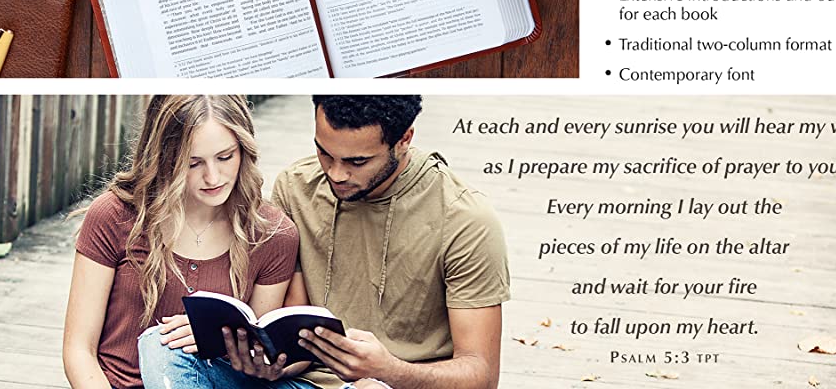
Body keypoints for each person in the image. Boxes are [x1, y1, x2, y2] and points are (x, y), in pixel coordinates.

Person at [233, 95, 509, 389]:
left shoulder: (464, 219)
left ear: (404, 139)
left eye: (358, 161)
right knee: (181, 360)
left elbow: (482, 375)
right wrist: (270, 363)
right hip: (302, 383)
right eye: (324, 152)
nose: (336, 174)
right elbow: (297, 332)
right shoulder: (295, 187)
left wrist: (390, 371)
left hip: (400, 385)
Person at [62, 95, 311, 389]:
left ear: (244, 150)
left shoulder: (272, 233)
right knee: (161, 344)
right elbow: (79, 350)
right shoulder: (114, 216)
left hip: (209, 382)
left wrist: (232, 345)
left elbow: (259, 354)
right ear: (163, 158)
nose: (213, 177)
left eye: (225, 157)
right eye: (193, 163)